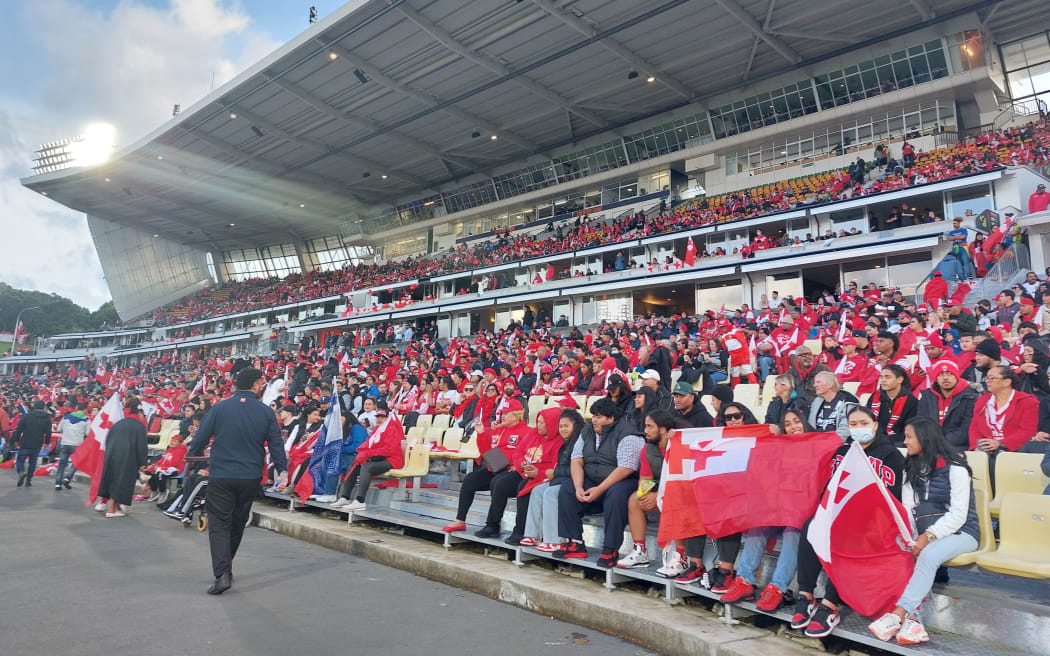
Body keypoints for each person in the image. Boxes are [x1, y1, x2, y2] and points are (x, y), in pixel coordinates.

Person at [792, 405, 905, 638]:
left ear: (875, 425)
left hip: (874, 519)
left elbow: (892, 498)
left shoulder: (890, 454)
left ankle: (830, 605)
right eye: (853, 424)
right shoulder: (843, 451)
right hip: (840, 513)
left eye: (864, 423)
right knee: (811, 526)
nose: (858, 428)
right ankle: (806, 595)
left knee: (846, 534)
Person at [868, 417, 978, 645]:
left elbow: (959, 515)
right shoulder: (911, 467)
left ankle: (898, 614)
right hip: (927, 533)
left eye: (909, 437)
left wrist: (927, 537)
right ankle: (914, 621)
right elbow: (909, 509)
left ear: (924, 438)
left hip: (963, 533)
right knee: (899, 550)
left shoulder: (956, 468)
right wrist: (909, 538)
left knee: (927, 554)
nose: (905, 442)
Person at [187, 367, 288, 596]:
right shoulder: (265, 412)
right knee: (237, 522)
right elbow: (275, 444)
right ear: (255, 385)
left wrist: (193, 455)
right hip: (250, 476)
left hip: (222, 473)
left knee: (219, 524)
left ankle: (222, 573)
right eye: (261, 383)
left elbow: (201, 437)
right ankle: (227, 566)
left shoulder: (220, 407)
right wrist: (283, 471)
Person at [721, 409, 817, 610]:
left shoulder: (817, 445)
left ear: (805, 422)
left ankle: (777, 588)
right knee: (758, 528)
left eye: (796, 421)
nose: (793, 427)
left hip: (803, 515)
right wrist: (773, 437)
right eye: (788, 424)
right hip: (780, 510)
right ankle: (744, 581)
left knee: (793, 532)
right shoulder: (780, 446)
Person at [554, 397, 644, 566]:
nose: (594, 420)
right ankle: (575, 542)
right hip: (594, 479)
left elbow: (626, 468)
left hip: (623, 480)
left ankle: (610, 549)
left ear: (611, 418)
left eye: (599, 416)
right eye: (593, 416)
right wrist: (578, 487)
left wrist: (600, 489)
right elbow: (576, 460)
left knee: (616, 494)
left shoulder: (627, 434)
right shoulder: (587, 431)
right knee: (567, 489)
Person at [441, 399, 536, 536]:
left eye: (506, 413)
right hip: (496, 467)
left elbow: (530, 453)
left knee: (498, 484)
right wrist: (481, 434)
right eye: (502, 413)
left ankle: (492, 526)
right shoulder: (498, 430)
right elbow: (486, 452)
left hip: (512, 471)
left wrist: (519, 465)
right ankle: (460, 520)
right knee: (470, 479)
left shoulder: (527, 432)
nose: (502, 416)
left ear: (516, 415)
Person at [616, 410, 691, 569]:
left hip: (685, 496)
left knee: (675, 501)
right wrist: (645, 494)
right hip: (663, 494)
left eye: (650, 427)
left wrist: (658, 495)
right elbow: (646, 479)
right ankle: (640, 552)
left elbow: (683, 483)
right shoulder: (647, 449)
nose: (645, 431)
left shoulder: (681, 446)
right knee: (635, 500)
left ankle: (681, 558)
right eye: (645, 426)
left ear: (662, 429)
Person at [519, 409, 585, 551]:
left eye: (566, 426)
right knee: (537, 490)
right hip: (563, 478)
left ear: (576, 425)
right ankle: (534, 535)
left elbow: (578, 469)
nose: (563, 429)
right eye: (561, 426)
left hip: (577, 482)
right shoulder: (567, 442)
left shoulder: (580, 441)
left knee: (550, 493)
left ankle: (555, 540)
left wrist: (554, 473)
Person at [968, 365, 1041, 488]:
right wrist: (977, 446)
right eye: (986, 378)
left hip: (1013, 450)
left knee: (996, 463)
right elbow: (974, 427)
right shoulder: (982, 401)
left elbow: (1028, 431)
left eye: (991, 378)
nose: (987, 381)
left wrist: (1001, 443)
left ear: (1007, 382)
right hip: (985, 450)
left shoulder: (1027, 402)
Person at [504, 407, 565, 545]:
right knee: (500, 484)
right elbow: (518, 452)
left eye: (543, 423)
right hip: (525, 471)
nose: (538, 425)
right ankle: (491, 526)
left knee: (525, 489)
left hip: (543, 475)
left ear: (552, 424)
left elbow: (554, 466)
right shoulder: (533, 433)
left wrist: (538, 472)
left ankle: (522, 532)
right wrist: (523, 465)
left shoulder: (559, 441)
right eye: (538, 421)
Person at [334, 408, 405, 511]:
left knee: (367, 467)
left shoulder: (392, 429)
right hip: (379, 457)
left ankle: (360, 500)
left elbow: (389, 450)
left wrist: (367, 454)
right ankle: (345, 497)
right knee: (356, 463)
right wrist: (361, 453)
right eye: (378, 417)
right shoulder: (378, 429)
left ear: (387, 418)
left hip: (392, 459)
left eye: (382, 417)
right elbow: (368, 445)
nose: (379, 419)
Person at [97, 400, 149, 518]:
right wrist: (143, 463)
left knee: (113, 480)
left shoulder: (118, 423)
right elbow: (141, 447)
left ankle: (116, 508)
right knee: (120, 482)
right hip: (127, 458)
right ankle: (111, 510)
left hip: (111, 455)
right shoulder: (139, 426)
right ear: (139, 413)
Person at [915, 360, 977, 449]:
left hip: (957, 447)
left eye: (950, 374)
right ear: (936, 378)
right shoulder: (927, 397)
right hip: (929, 445)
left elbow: (965, 430)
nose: (945, 378)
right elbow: (920, 423)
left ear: (957, 377)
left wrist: (940, 443)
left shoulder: (970, 397)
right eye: (941, 374)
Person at [867, 364, 918, 445]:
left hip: (898, 442)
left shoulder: (911, 401)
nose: (883, 380)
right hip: (874, 439)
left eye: (887, 377)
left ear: (900, 379)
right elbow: (867, 421)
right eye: (881, 377)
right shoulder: (875, 397)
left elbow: (909, 429)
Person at [807, 371, 857, 440]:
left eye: (818, 382)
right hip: (816, 442)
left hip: (837, 443)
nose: (814, 385)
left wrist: (829, 442)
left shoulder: (848, 402)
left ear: (830, 385)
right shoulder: (817, 401)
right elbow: (810, 426)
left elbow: (845, 430)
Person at [13, 400, 51, 488]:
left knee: (20, 460)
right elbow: (48, 432)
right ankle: (29, 480)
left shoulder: (28, 415)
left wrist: (17, 439)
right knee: (32, 462)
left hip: (25, 441)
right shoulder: (47, 418)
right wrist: (47, 442)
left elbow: (19, 428)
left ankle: (21, 472)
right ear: (43, 407)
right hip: (37, 443)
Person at [54, 402, 90, 489]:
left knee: (62, 464)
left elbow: (59, 429)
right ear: (85, 410)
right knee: (76, 463)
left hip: (65, 443)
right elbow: (88, 433)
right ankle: (67, 478)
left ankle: (58, 483)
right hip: (77, 444)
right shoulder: (86, 419)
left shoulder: (66, 417)